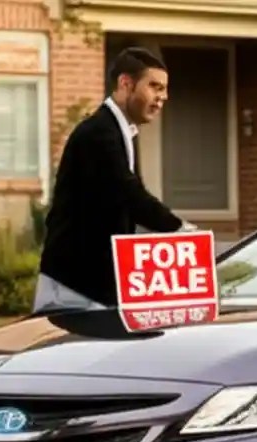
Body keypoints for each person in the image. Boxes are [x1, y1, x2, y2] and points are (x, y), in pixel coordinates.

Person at [34, 46, 195, 312]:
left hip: (96, 285)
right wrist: (182, 232)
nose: (163, 97)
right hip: (73, 286)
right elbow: (129, 194)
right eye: (154, 87)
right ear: (125, 83)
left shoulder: (121, 132)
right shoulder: (98, 134)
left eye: (164, 89)